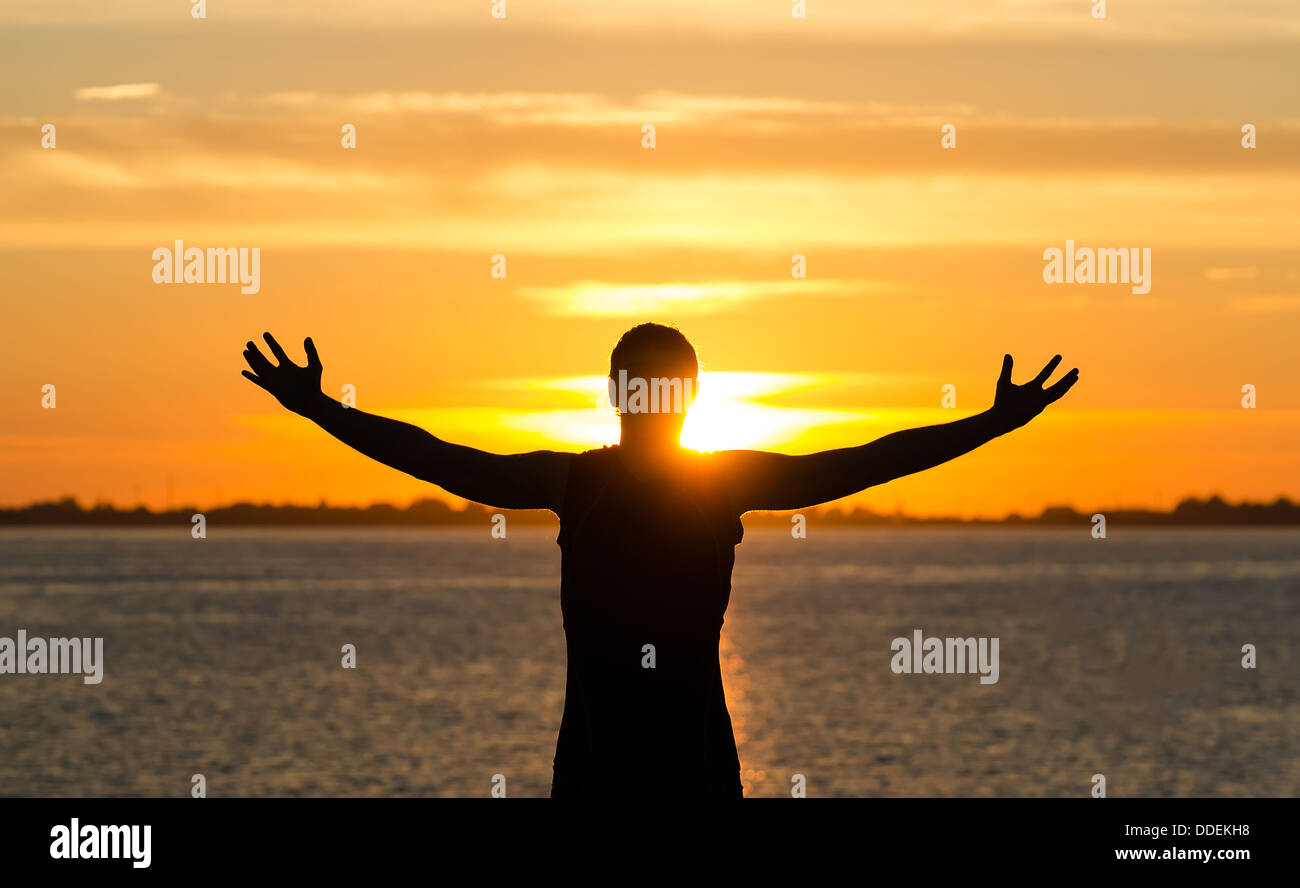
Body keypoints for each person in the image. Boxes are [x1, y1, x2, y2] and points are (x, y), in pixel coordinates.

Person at [241, 323, 1078, 797]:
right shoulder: (618, 482)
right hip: (626, 773)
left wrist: (321, 410)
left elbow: (869, 459)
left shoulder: (625, 483)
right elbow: (439, 457)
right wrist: (321, 410)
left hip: (667, 774)